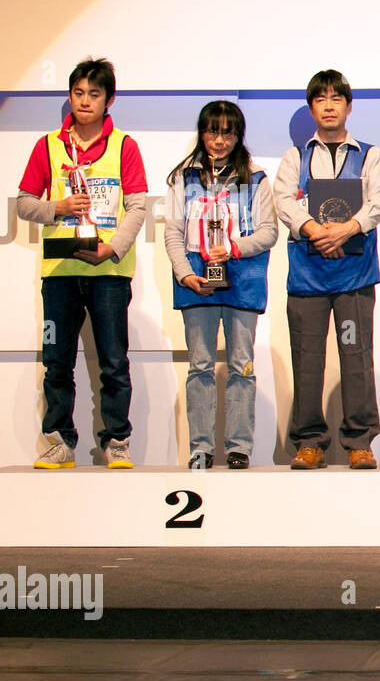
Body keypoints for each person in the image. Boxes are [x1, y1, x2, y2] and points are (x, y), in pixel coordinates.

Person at [18, 58, 147, 470]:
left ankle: (117, 441)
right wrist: (57, 207)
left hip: (108, 272)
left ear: (109, 99)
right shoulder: (49, 145)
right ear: (69, 96)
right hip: (60, 272)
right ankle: (59, 441)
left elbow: (138, 206)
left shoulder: (125, 146)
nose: (85, 101)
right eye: (78, 93)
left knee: (113, 362)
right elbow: (23, 203)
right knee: (57, 362)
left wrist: (112, 249)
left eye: (94, 93)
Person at [273, 69, 380, 470]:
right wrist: (311, 229)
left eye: (336, 99)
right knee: (307, 360)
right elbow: (285, 202)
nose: (328, 105)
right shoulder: (295, 157)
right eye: (320, 99)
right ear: (311, 108)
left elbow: (379, 201)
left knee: (357, 357)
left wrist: (346, 229)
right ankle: (309, 442)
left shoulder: (370, 154)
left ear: (348, 106)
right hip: (308, 277)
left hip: (354, 276)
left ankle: (360, 442)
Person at [164, 101, 278, 469]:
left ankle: (239, 447)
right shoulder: (183, 177)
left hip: (241, 281)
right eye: (212, 131)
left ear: (238, 135)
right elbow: (172, 233)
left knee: (241, 365)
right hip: (196, 282)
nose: (219, 140)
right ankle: (200, 447)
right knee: (199, 365)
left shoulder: (256, 177)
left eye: (228, 132)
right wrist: (184, 274)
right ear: (202, 132)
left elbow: (268, 232)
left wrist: (233, 248)